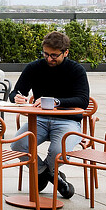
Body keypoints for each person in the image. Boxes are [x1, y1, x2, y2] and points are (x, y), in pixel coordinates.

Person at [8, 31, 90, 199]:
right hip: (39, 119)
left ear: (65, 53)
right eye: (46, 54)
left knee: (57, 152)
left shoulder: (76, 70)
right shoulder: (34, 67)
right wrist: (16, 96)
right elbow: (15, 91)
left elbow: (83, 101)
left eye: (54, 55)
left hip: (68, 121)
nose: (49, 58)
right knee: (17, 144)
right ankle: (49, 175)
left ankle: (45, 173)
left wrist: (57, 102)